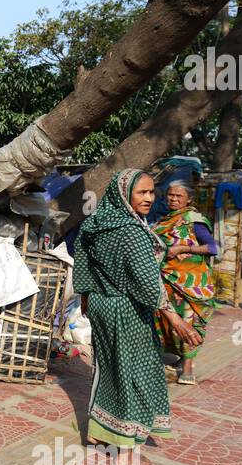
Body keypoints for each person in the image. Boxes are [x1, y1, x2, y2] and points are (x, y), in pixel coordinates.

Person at [72, 169, 201, 449]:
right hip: (125, 309)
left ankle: (97, 429)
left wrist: (85, 298)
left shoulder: (94, 223)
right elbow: (146, 280)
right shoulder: (131, 231)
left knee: (107, 368)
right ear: (124, 194)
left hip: (99, 305)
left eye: (152, 192)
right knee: (136, 370)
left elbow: (81, 262)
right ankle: (123, 432)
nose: (149, 198)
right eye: (142, 192)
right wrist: (175, 318)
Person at [153, 181, 218, 385]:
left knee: (189, 321)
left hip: (191, 283)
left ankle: (188, 366)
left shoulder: (193, 219)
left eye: (178, 196)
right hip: (165, 280)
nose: (173, 199)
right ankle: (166, 358)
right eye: (170, 195)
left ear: (188, 199)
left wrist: (183, 248)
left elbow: (213, 248)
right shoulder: (163, 220)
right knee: (165, 321)